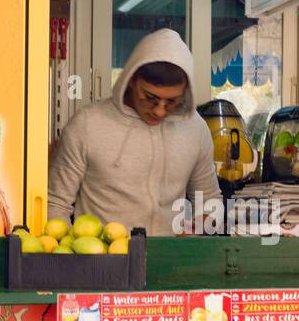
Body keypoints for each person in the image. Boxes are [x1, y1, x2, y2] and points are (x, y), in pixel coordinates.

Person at [47, 28, 221, 235]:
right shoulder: (87, 125)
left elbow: (210, 201)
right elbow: (56, 204)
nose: (159, 110)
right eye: (150, 98)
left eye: (172, 101)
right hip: (102, 262)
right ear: (130, 79)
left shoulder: (196, 129)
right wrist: (73, 258)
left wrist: (199, 226)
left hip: (171, 262)